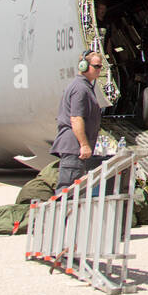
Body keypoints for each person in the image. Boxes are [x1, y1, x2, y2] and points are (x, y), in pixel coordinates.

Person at [51, 50, 106, 191]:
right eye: (97, 66)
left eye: (100, 66)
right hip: (75, 148)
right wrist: (84, 145)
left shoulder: (85, 87)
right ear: (84, 66)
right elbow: (76, 118)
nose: (99, 70)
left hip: (76, 148)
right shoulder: (80, 88)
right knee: (67, 192)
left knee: (73, 193)